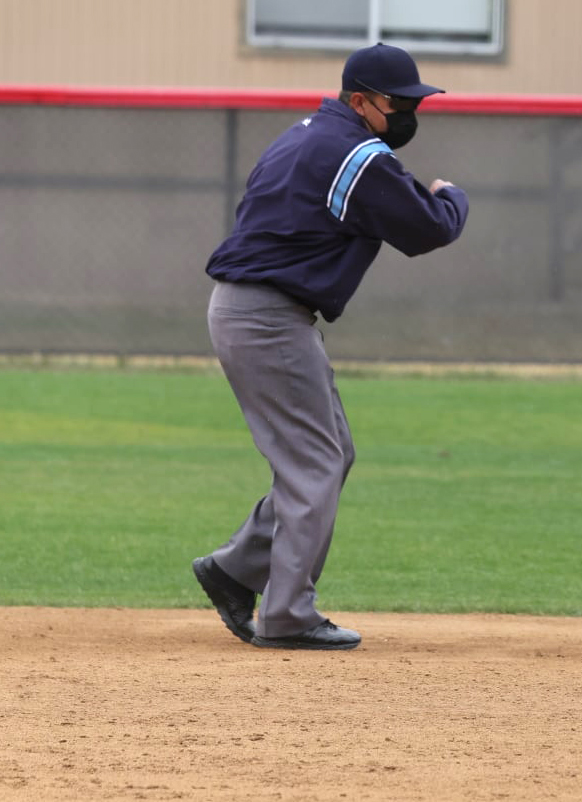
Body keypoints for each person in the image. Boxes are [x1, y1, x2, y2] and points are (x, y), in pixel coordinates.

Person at [193, 43, 468, 650]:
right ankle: (288, 615)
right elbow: (429, 228)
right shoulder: (357, 153)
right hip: (267, 315)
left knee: (329, 453)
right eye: (398, 103)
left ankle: (235, 569)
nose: (409, 113)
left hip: (255, 309)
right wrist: (452, 196)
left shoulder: (302, 135)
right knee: (314, 462)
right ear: (360, 100)